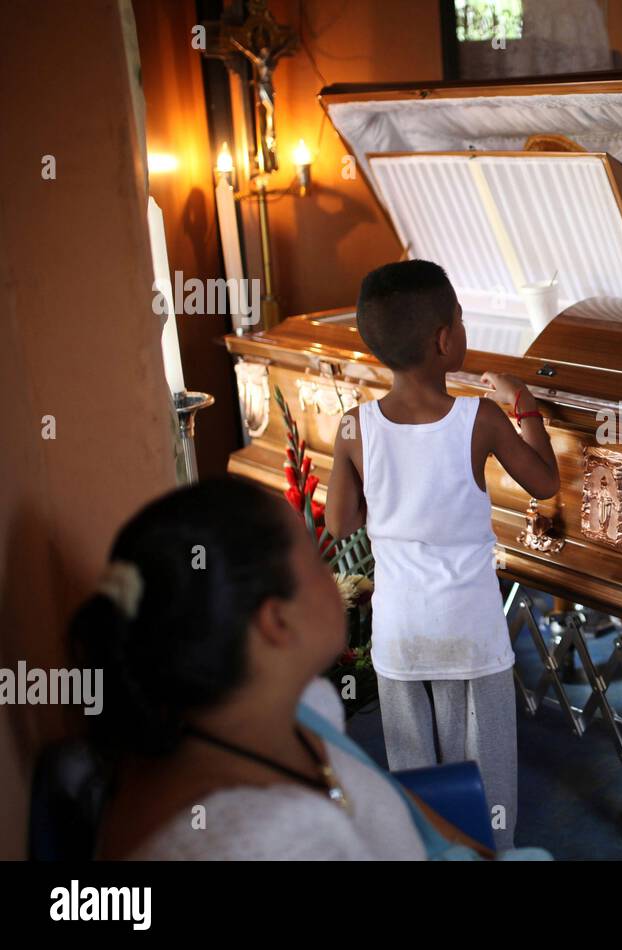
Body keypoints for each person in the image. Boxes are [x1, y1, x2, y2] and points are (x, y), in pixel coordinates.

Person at [70, 479, 546, 860]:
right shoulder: (269, 840)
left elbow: (403, 814)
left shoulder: (288, 711)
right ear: (277, 620)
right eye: (315, 562)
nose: (333, 571)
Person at [326, 260, 559, 852]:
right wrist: (524, 403)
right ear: (444, 340)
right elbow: (544, 482)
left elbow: (340, 523)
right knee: (486, 774)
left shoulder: (355, 427)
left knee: (416, 772)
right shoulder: (477, 417)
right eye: (460, 319)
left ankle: (429, 849)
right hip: (470, 631)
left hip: (401, 633)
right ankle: (493, 853)